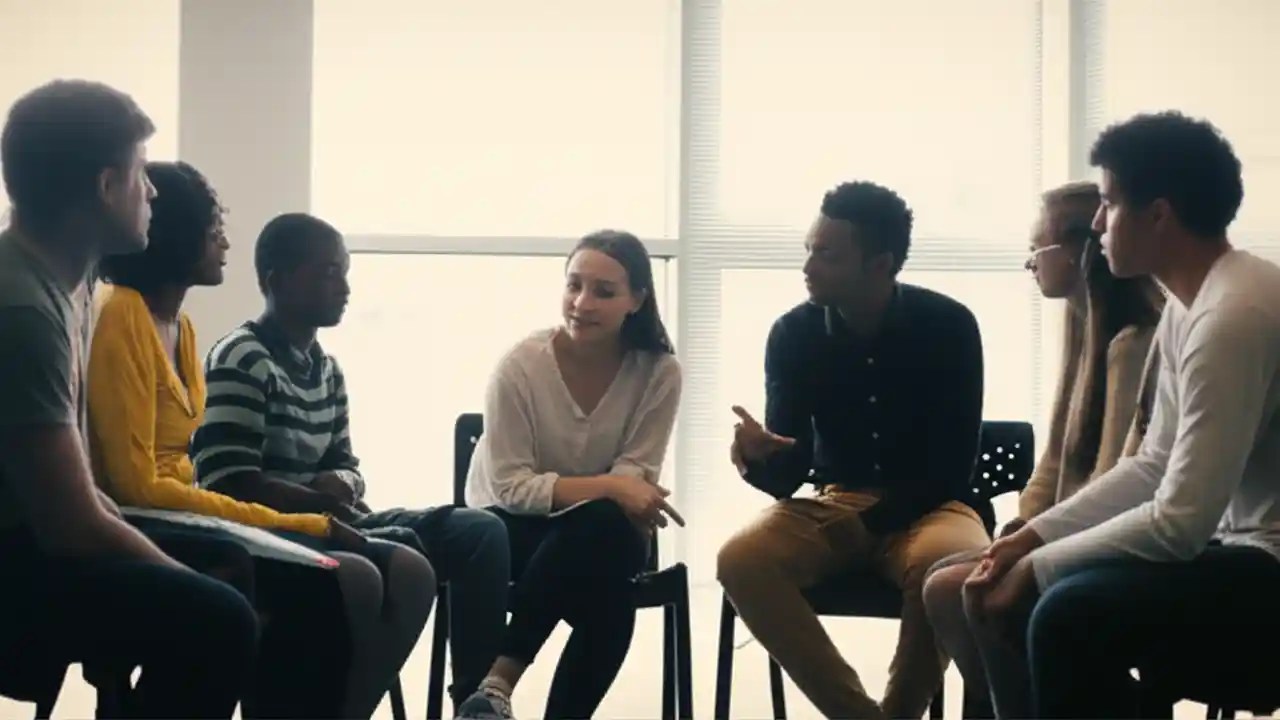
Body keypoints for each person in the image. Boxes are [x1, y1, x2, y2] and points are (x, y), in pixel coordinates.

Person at [964, 111, 1280, 719]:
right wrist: (1031, 538)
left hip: (1267, 565)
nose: (1099, 226)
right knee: (1048, 592)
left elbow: (1180, 522)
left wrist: (1038, 564)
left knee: (1067, 610)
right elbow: (1153, 464)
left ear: (1159, 215)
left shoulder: (1233, 315)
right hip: (1237, 549)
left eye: (1108, 205)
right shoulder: (1192, 306)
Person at [87, 161, 428, 718]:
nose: (225, 241)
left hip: (189, 515)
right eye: (214, 225)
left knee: (387, 568)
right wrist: (302, 522)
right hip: (144, 523)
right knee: (345, 579)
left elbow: (184, 475)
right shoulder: (121, 312)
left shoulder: (183, 326)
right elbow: (137, 486)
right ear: (177, 230)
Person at [0, 79, 258, 719]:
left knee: (228, 562)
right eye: (142, 174)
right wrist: (181, 575)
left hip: (34, 532)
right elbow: (69, 523)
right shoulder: (23, 308)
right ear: (104, 185)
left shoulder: (71, 285)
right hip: (15, 557)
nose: (152, 193)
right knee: (216, 612)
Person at [190, 212, 510, 712]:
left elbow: (348, 467)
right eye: (328, 272)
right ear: (276, 280)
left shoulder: (327, 369)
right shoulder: (242, 357)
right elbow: (229, 481)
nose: (344, 288)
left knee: (480, 532)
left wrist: (341, 481)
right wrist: (322, 500)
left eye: (345, 272)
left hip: (334, 517)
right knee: (391, 557)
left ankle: (474, 702)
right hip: (274, 530)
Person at [716, 181, 991, 720]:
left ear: (880, 263)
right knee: (741, 559)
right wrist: (757, 457)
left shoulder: (949, 326)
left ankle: (900, 713)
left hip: (935, 504)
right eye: (809, 249)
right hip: (836, 498)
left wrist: (875, 519)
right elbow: (788, 477)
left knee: (949, 565)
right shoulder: (793, 334)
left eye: (827, 254)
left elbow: (955, 463)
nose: (808, 266)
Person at [920, 180, 1164, 718]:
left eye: (1036, 248)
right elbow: (1055, 458)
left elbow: (1115, 479)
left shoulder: (1135, 342)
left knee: (962, 590)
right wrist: (1019, 528)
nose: (1029, 263)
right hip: (1066, 533)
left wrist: (1037, 542)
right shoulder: (1081, 329)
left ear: (1078, 251)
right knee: (941, 586)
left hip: (1108, 540)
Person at [454, 229, 683, 720]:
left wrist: (618, 489)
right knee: (611, 588)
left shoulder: (659, 372)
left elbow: (634, 472)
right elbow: (513, 488)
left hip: (595, 534)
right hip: (503, 530)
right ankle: (506, 692)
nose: (582, 303)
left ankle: (495, 685)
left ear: (637, 300)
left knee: (603, 533)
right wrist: (613, 487)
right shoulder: (519, 366)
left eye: (604, 291)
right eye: (573, 285)